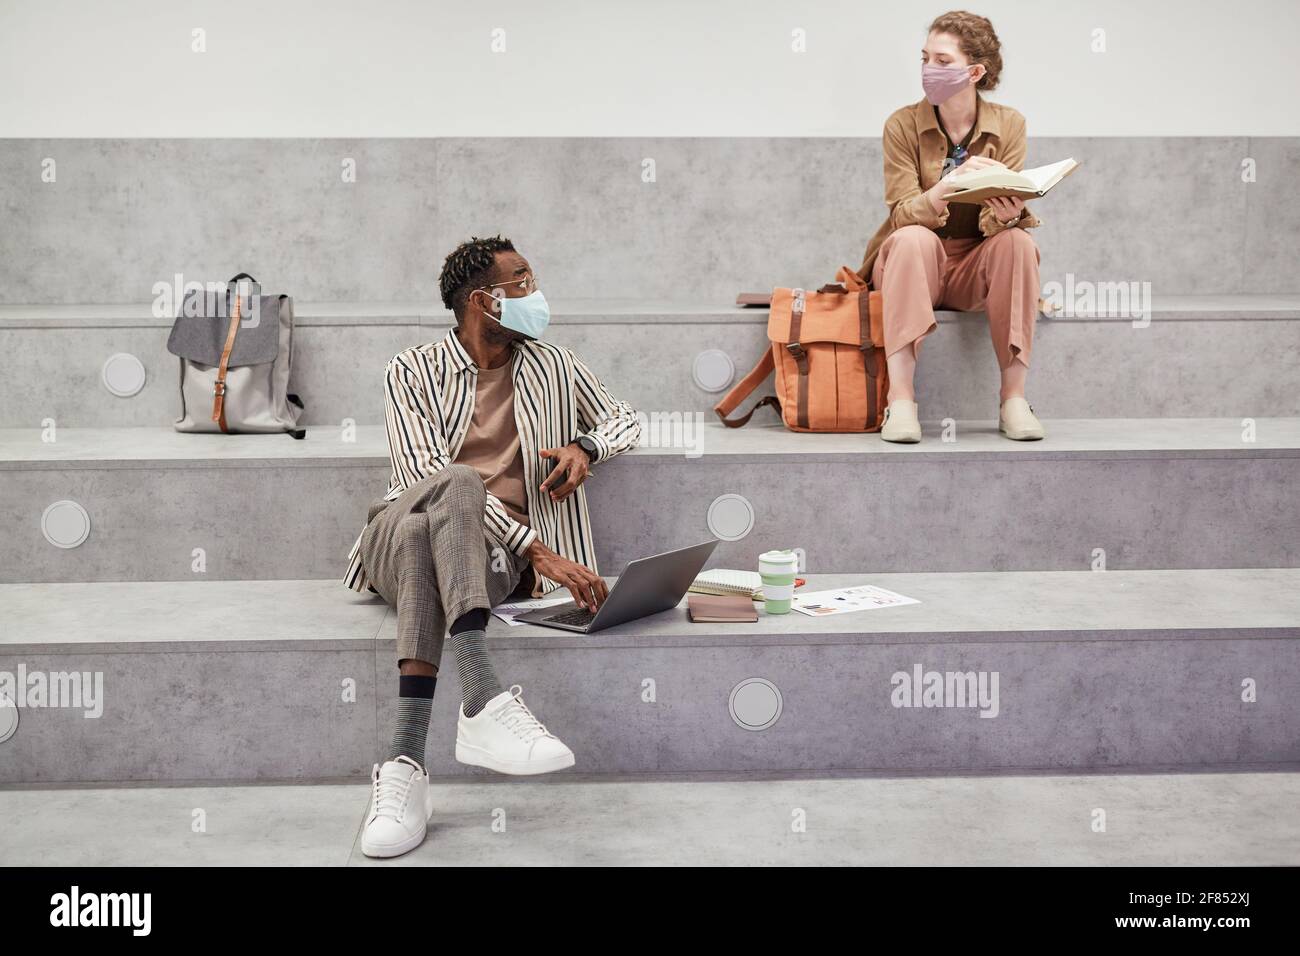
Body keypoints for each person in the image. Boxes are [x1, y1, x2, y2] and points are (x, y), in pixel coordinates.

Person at [343, 235, 642, 857]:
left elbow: (628, 418)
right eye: (523, 280)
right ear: (484, 299)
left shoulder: (554, 363)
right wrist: (538, 549)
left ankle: (403, 766)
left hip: (482, 562)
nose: (537, 292)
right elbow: (424, 472)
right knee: (448, 487)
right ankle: (481, 699)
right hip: (392, 536)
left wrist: (587, 446)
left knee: (435, 541)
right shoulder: (412, 368)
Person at [860, 10, 1045, 443]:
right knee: (912, 238)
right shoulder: (902, 124)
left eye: (942, 61)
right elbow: (901, 213)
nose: (928, 70)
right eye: (925, 58)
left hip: (970, 268)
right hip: (910, 262)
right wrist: (946, 187)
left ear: (975, 71)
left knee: (1017, 242)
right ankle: (901, 402)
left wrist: (1006, 214)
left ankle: (1014, 400)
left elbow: (1004, 218)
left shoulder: (1010, 125)